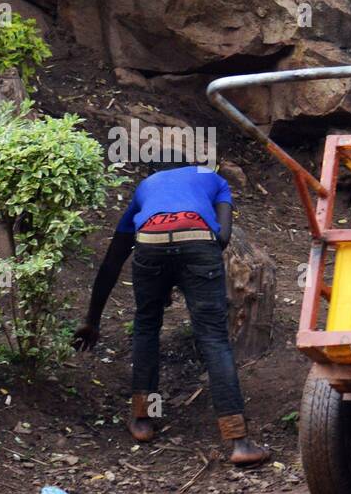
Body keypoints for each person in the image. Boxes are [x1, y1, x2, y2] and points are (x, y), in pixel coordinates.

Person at [73, 157, 270, 466]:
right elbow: (221, 237)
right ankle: (238, 442)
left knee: (147, 327)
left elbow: (114, 259)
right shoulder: (215, 180)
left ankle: (143, 420)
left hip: (149, 243)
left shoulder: (146, 186)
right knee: (214, 339)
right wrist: (190, 271)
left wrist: (92, 321)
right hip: (198, 240)